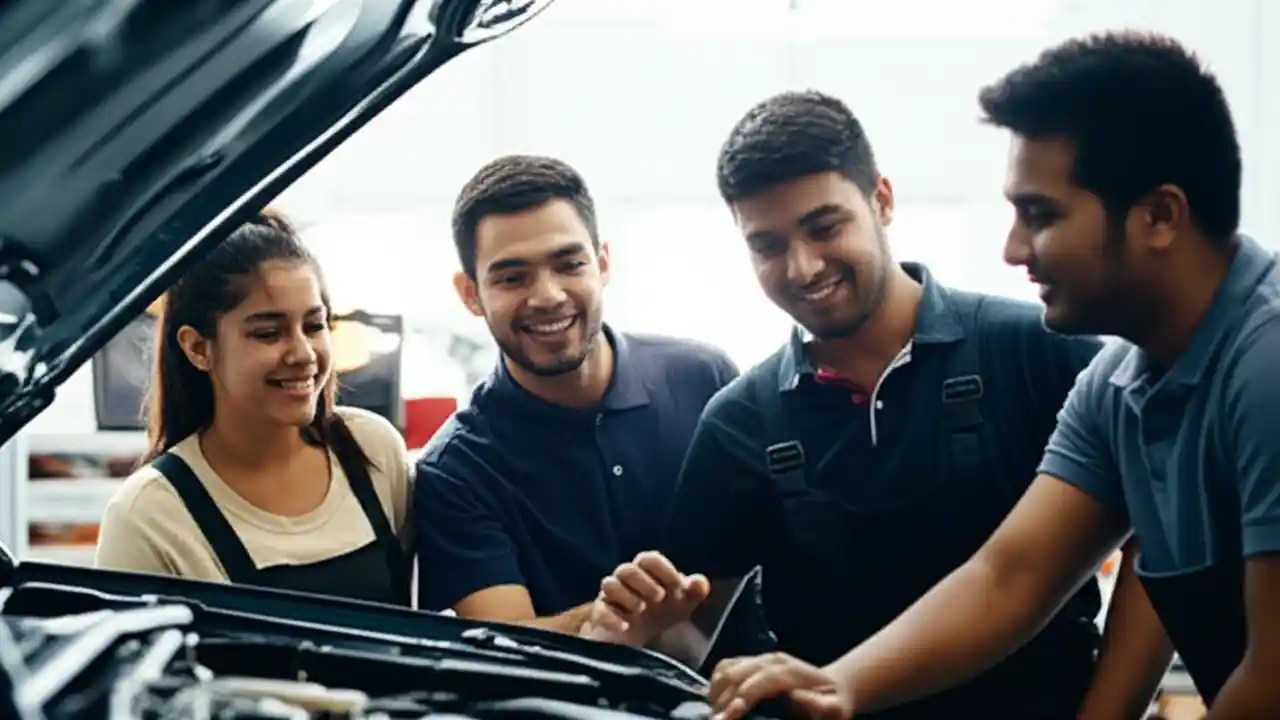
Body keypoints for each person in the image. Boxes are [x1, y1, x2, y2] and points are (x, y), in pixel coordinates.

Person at [703, 30, 1280, 720]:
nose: (1012, 249)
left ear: (1159, 215)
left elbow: (1272, 680)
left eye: (1040, 216)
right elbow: (1011, 575)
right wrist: (843, 684)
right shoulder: (1117, 385)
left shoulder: (1267, 365)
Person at [581, 89, 1172, 719]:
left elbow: (1161, 534)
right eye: (768, 245)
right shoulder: (740, 422)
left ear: (882, 200)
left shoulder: (1043, 351)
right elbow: (692, 635)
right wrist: (641, 633)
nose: (803, 267)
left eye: (824, 227)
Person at [413, 155, 736, 631]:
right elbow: (506, 643)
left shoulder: (705, 378)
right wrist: (615, 615)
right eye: (511, 277)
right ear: (470, 294)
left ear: (602, 262)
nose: (547, 296)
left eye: (569, 264)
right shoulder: (455, 471)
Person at [95, 212, 414, 606]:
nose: (302, 354)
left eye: (314, 327)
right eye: (268, 333)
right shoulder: (148, 516)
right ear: (198, 348)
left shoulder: (373, 450)